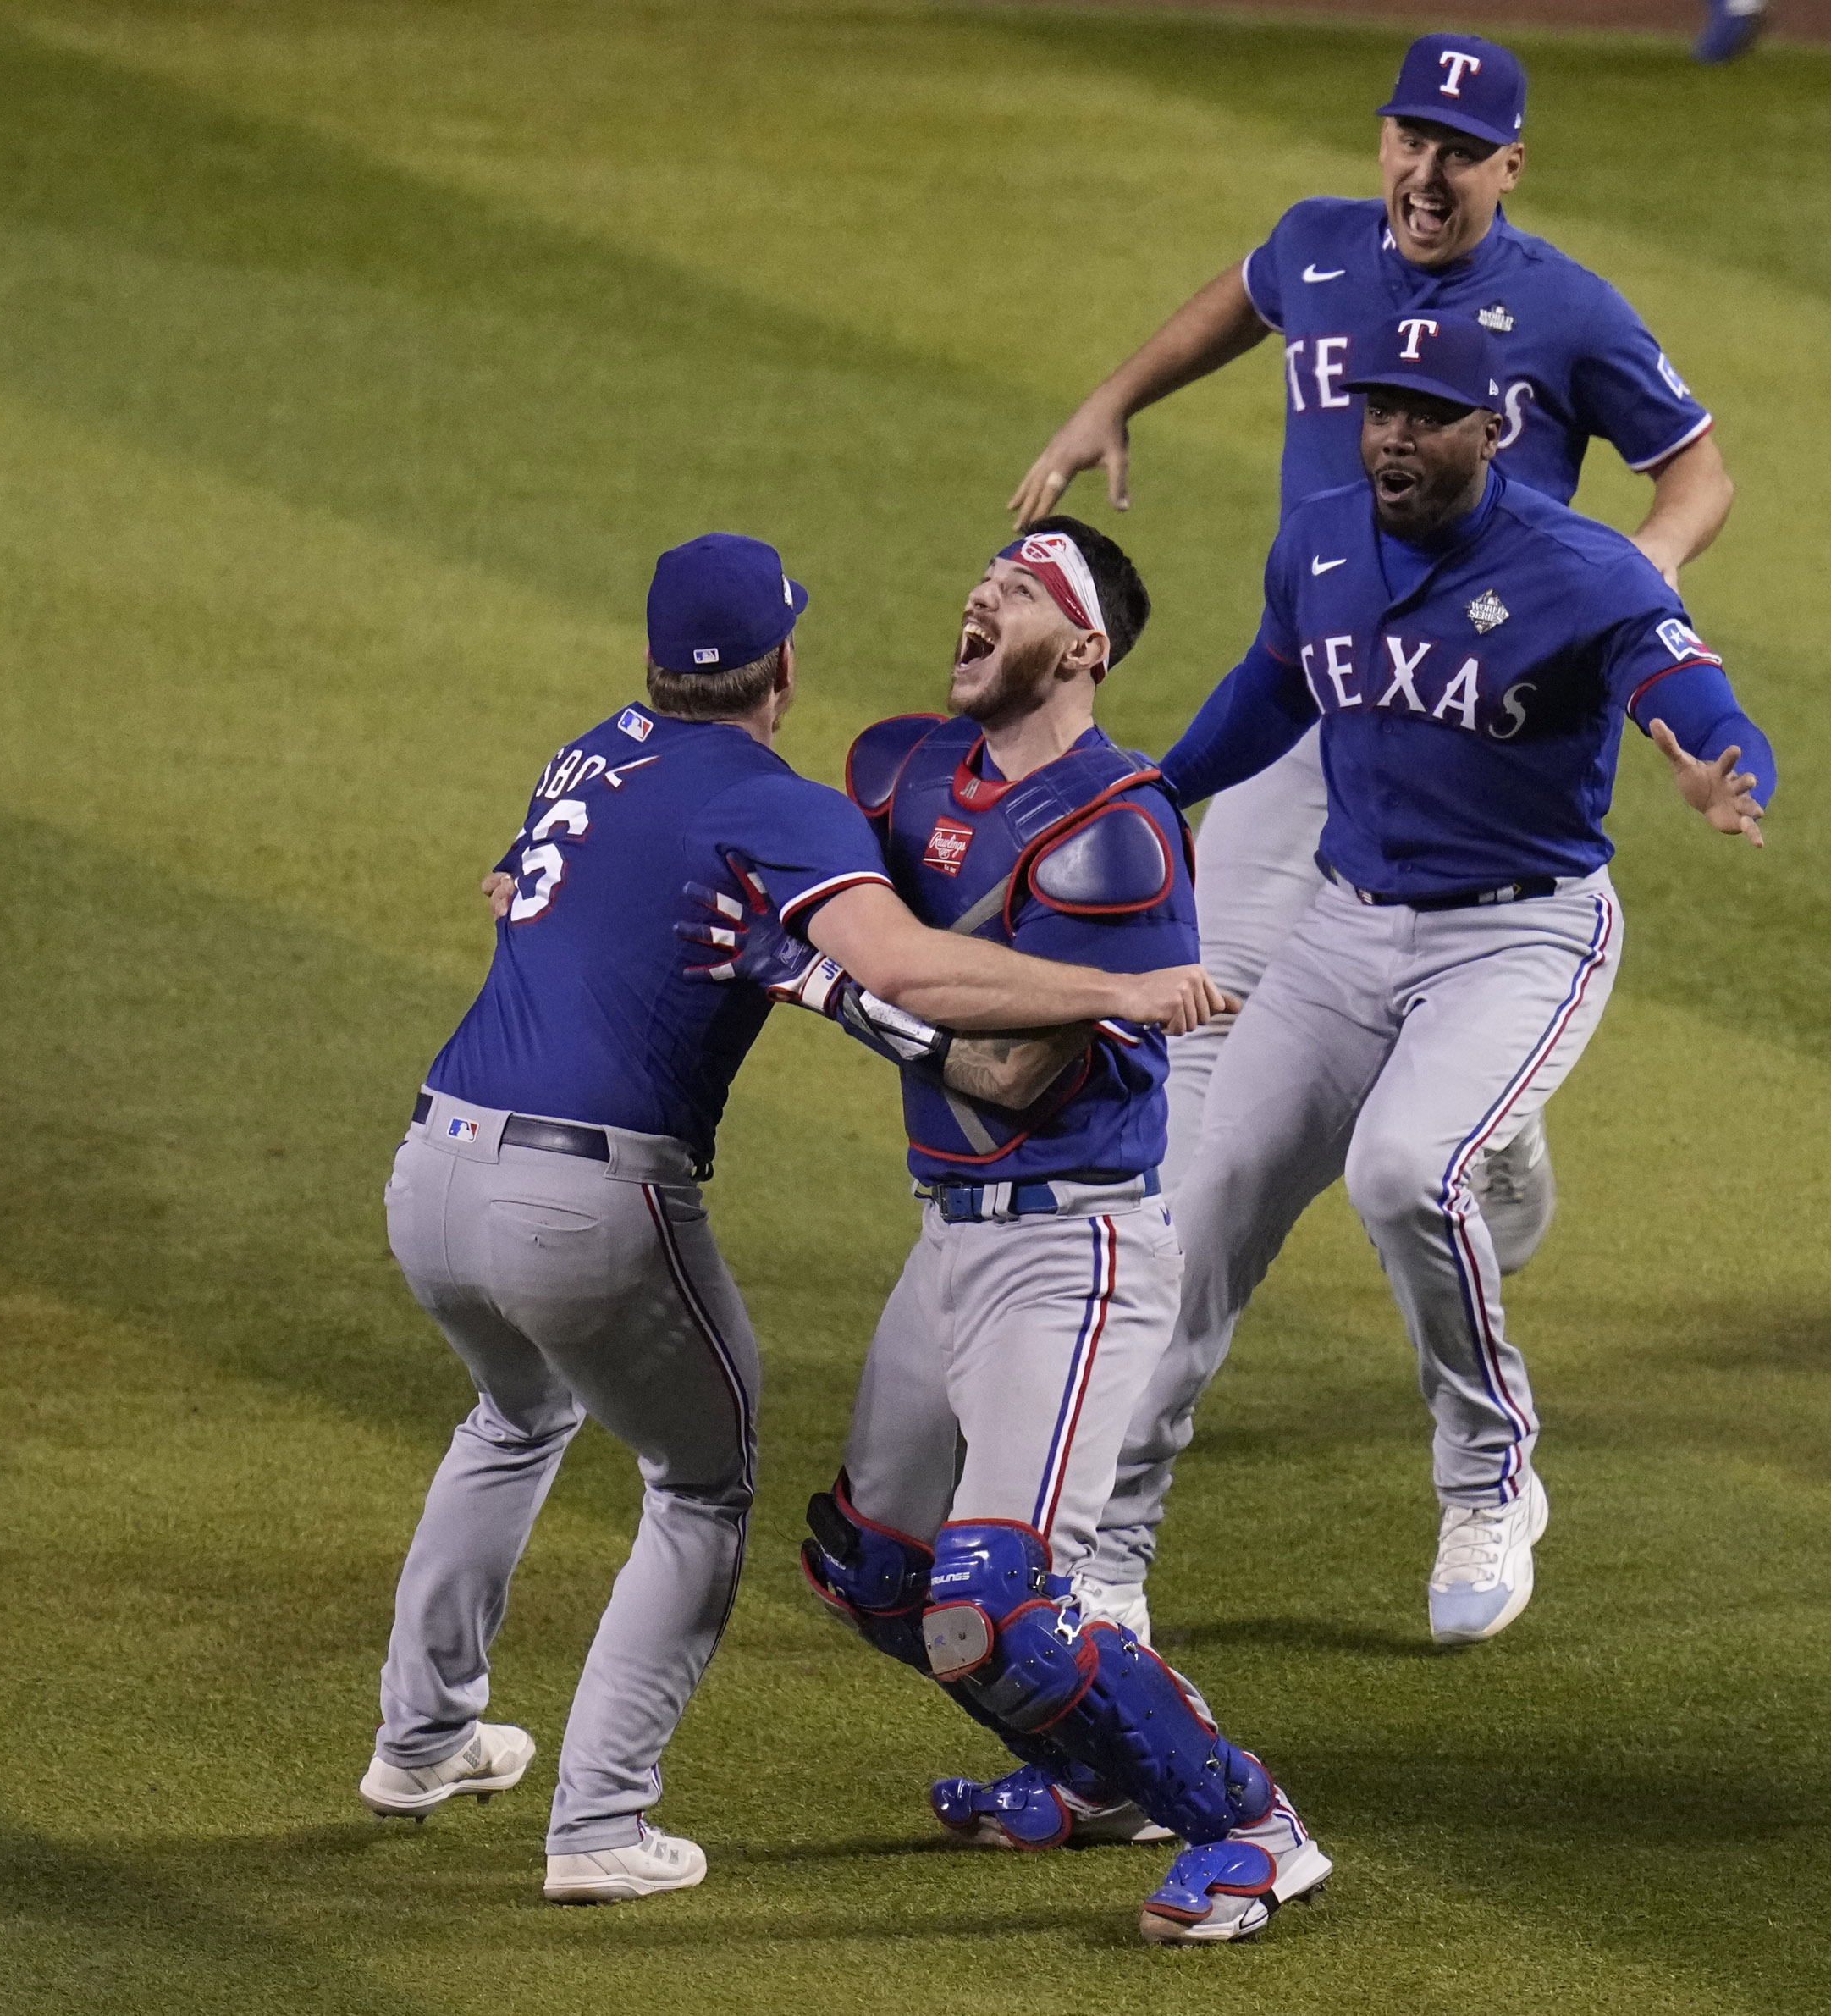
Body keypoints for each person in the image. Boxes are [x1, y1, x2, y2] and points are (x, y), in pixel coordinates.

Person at [361, 534, 1227, 1906]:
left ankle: (421, 1742)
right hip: (587, 1189)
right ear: (785, 665)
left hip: (432, 1166)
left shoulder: (587, 757)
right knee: (702, 1485)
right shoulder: (783, 802)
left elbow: (509, 885)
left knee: (514, 1418)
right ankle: (596, 1823)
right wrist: (1120, 991)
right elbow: (899, 963)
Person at [1079, 312, 1773, 1648]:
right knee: (1204, 1202)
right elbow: (1273, 689)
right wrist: (1162, 785)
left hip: (1519, 937)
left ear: (1491, 429)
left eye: (1424, 412)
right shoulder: (1322, 540)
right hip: (1343, 928)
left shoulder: (1584, 567)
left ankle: (1489, 1476)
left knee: (1404, 1171)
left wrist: (1713, 759)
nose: (1392, 431)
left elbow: (1684, 682)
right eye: (1378, 406)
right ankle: (1109, 1552)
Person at [1007, 32, 1735, 1268]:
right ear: (1382, 141)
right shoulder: (1320, 243)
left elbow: (1698, 473)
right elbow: (1247, 294)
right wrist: (1112, 399)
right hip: (1319, 681)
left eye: (1463, 154)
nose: (1430, 176)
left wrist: (1633, 585)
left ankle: (1488, 1120)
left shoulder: (1563, 307)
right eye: (1412, 141)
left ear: (1513, 168)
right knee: (1208, 999)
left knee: (1431, 972)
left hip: (1468, 711)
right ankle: (1152, 1297)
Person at [701, 519, 1329, 1943]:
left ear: (1086, 648)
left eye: (1028, 588)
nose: (984, 591)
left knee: (997, 1596)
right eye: (987, 573)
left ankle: (1250, 1824)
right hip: (952, 1241)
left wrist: (823, 981)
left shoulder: (1114, 830)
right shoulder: (901, 765)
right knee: (876, 1571)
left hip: (1074, 1257)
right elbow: (769, 852)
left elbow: (1006, 1073)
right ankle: (1097, 1779)